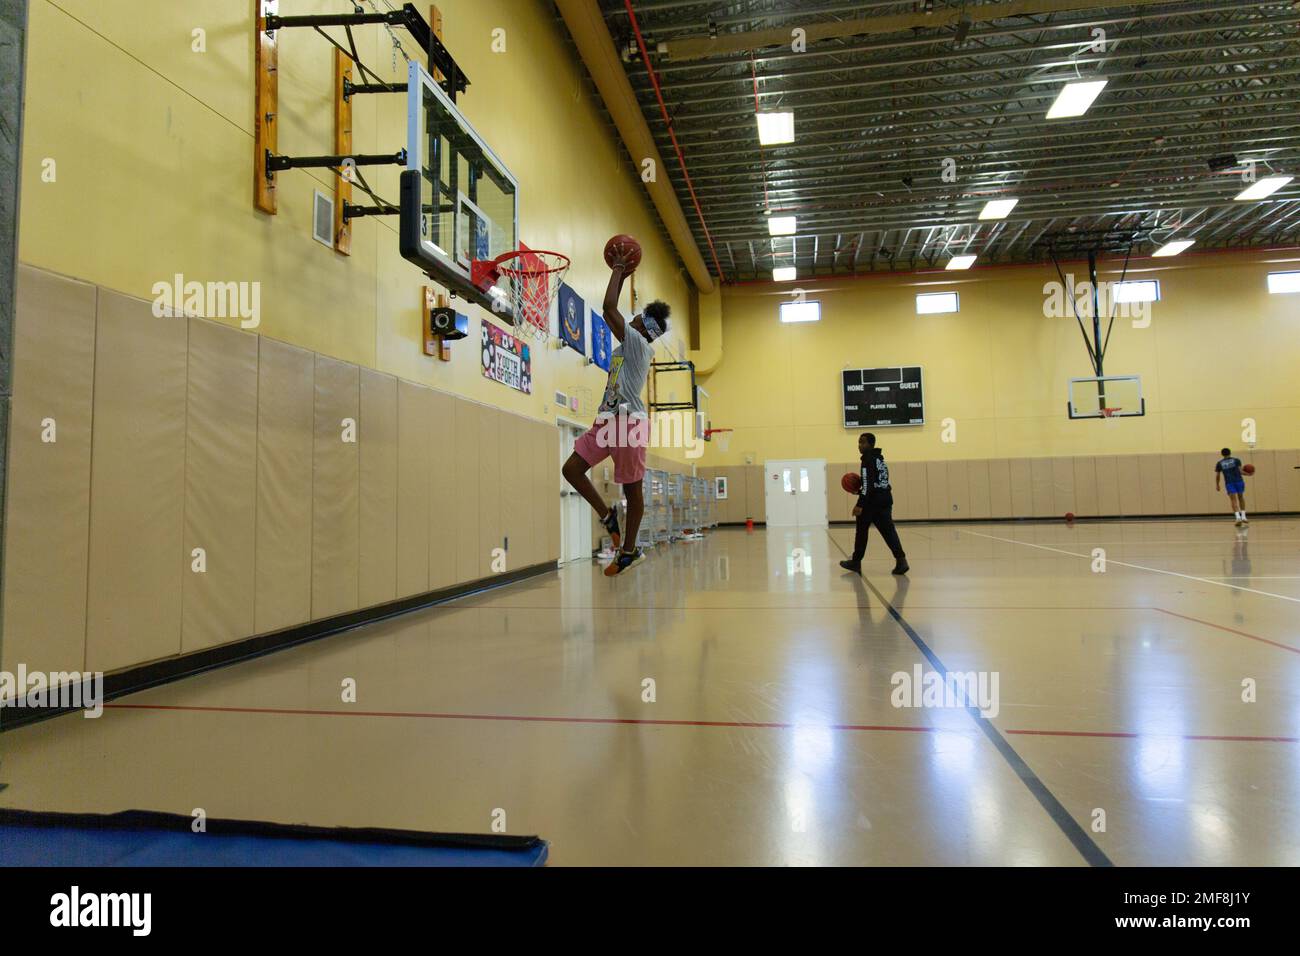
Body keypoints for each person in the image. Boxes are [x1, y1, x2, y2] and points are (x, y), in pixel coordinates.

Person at [560, 259, 671, 576]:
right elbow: (614, 309)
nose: (631, 315)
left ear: (643, 326)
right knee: (572, 469)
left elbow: (609, 307)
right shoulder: (629, 344)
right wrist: (623, 275)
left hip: (629, 424)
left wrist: (619, 269)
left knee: (632, 492)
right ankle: (607, 515)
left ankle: (630, 550)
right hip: (607, 421)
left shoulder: (637, 345)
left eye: (638, 315)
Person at [839, 432, 908, 575]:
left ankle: (856, 562)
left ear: (870, 444)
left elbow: (867, 483)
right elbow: (878, 483)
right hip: (885, 499)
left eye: (863, 442)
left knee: (861, 532)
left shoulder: (867, 460)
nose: (860, 445)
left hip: (872, 503)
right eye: (859, 442)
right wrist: (860, 492)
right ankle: (901, 560)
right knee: (889, 532)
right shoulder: (880, 459)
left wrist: (859, 504)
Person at [1215, 447, 1248, 526]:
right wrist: (1248, 474)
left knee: (1233, 500)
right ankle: (1243, 517)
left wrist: (1217, 484)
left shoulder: (1219, 463)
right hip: (1239, 481)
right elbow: (1241, 472)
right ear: (1230, 453)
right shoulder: (1236, 460)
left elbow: (1217, 475)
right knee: (1241, 497)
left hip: (1229, 483)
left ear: (1222, 454)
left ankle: (1238, 518)